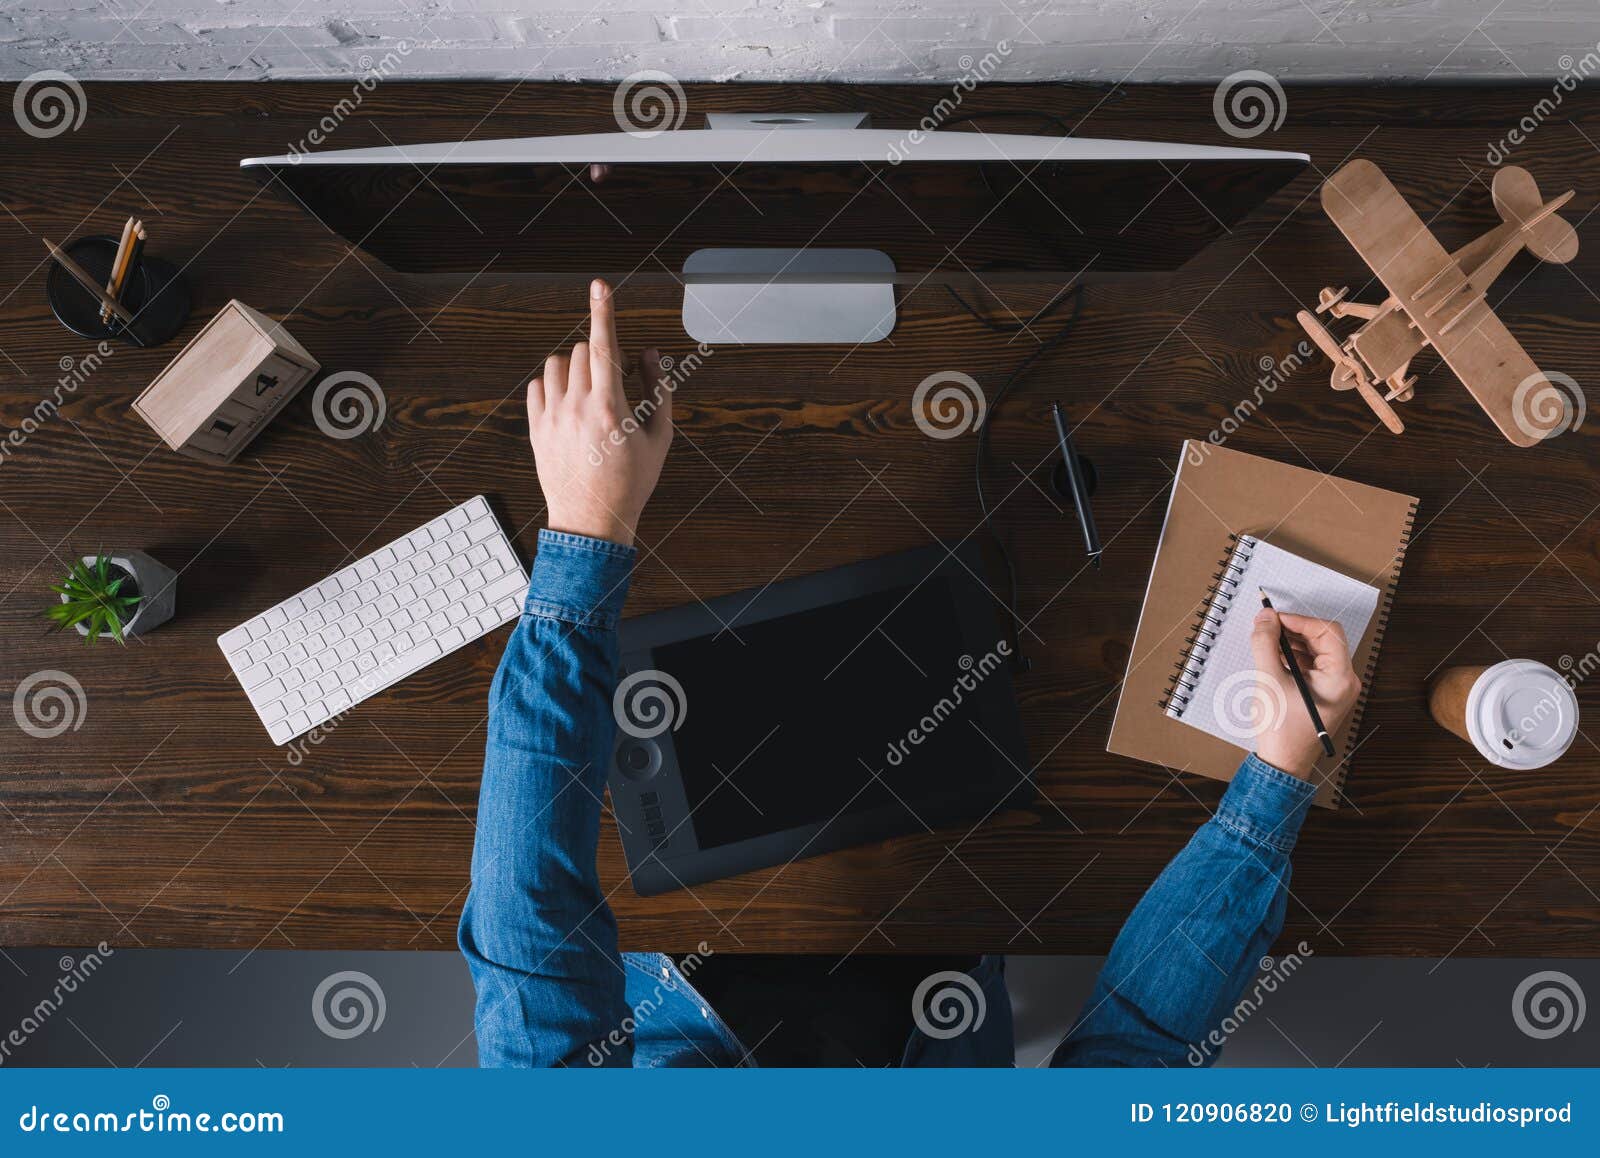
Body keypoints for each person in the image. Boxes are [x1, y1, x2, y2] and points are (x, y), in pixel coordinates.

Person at [458, 279, 1363, 1068]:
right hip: (942, 1006)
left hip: (682, 1000)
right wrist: (1276, 779)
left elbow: (529, 923)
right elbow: (1138, 1049)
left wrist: (586, 527)